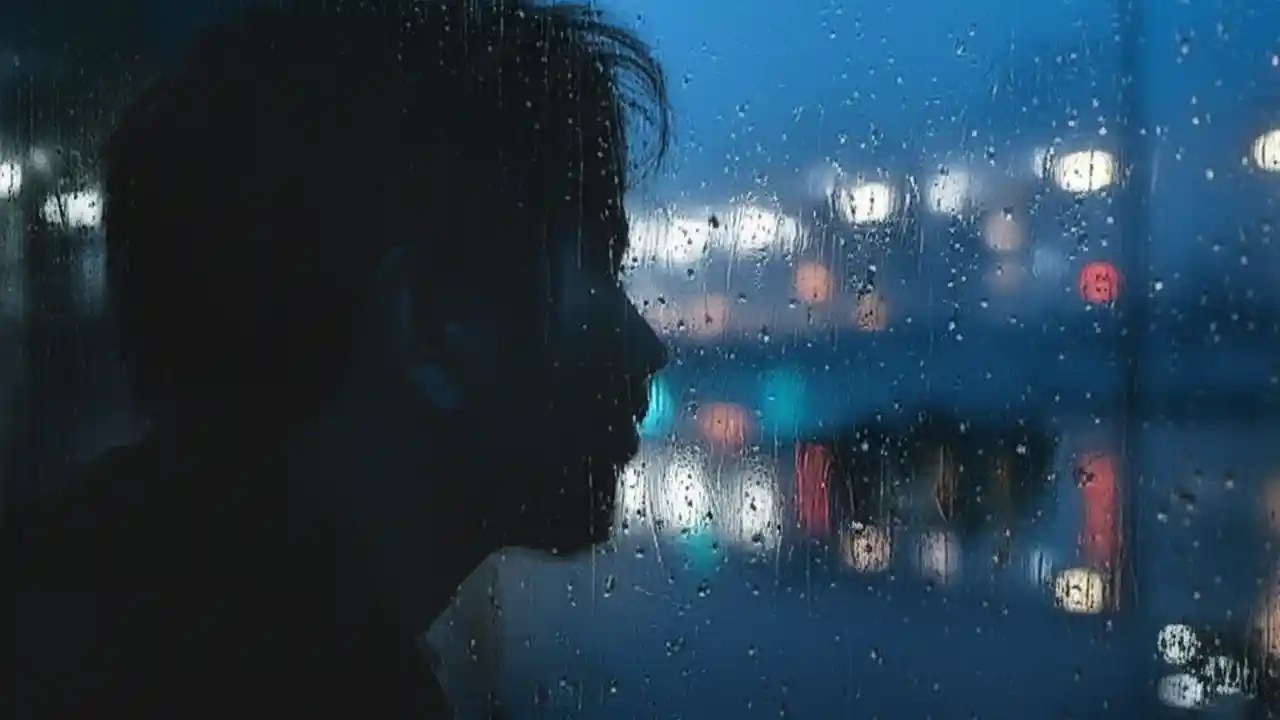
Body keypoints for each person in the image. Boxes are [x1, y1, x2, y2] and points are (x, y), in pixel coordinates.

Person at [6, 1, 670, 716]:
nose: (648, 347)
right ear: (434, 327)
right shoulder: (312, 687)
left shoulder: (85, 603)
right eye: (602, 265)